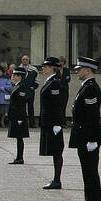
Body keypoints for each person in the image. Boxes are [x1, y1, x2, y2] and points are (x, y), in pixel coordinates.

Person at [68, 57, 101, 201]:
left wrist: (91, 139)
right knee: (88, 174)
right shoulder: (86, 87)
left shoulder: (90, 89)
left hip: (88, 138)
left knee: (90, 175)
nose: (77, 71)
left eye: (80, 69)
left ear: (88, 70)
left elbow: (92, 116)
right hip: (84, 137)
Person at [37, 57, 68, 189]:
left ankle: (57, 180)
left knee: (56, 151)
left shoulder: (55, 82)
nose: (43, 68)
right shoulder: (50, 81)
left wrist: (57, 123)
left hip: (53, 122)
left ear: (52, 68)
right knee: (54, 151)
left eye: (46, 66)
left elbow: (58, 104)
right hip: (48, 121)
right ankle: (56, 179)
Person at [6, 66, 33, 163]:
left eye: (16, 75)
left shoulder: (22, 87)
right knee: (18, 137)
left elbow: (21, 103)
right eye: (13, 75)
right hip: (15, 115)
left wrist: (20, 117)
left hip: (19, 116)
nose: (13, 77)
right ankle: (18, 157)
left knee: (19, 137)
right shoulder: (17, 86)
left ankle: (20, 157)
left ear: (20, 76)